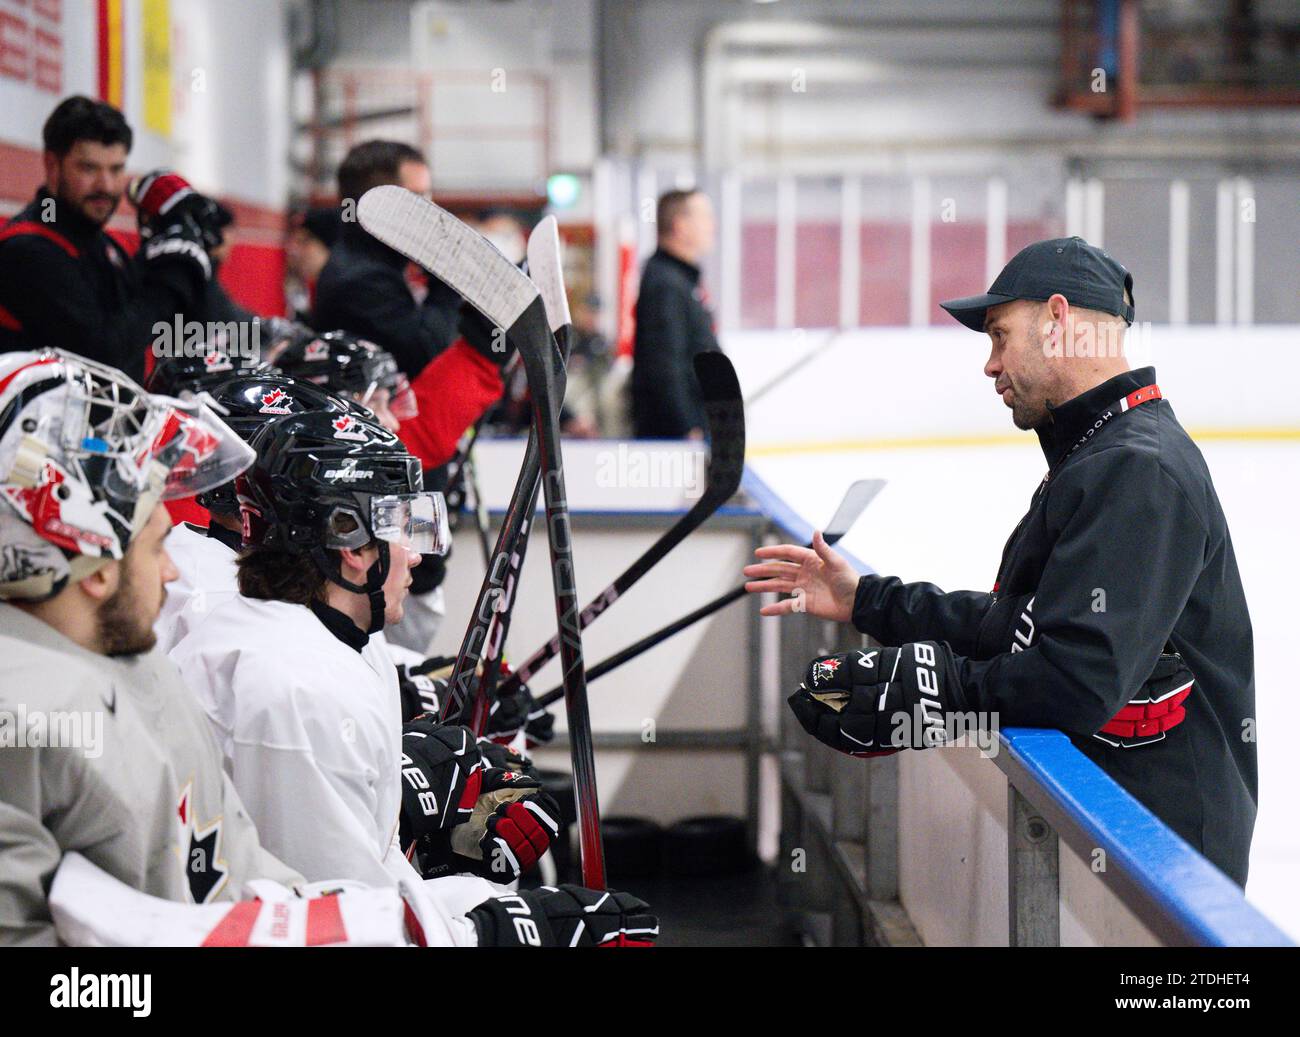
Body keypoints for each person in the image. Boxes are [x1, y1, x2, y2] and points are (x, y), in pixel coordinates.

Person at [744, 237, 1257, 888]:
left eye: (998, 334)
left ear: (1059, 319)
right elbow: (1021, 625)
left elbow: (1076, 679)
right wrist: (868, 599)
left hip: (1166, 872)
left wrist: (943, 691)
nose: (991, 364)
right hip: (1124, 845)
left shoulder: (1138, 469)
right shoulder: (1102, 453)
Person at [169, 409, 561, 890]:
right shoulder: (301, 688)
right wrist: (498, 925)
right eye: (402, 527)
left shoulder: (293, 639)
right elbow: (335, 916)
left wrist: (455, 875)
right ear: (351, 543)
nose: (416, 554)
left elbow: (366, 876)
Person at [0, 98, 216, 381]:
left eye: (116, 169)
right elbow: (103, 355)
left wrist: (187, 265)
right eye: (89, 169)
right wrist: (170, 277)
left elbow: (157, 329)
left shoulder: (99, 243)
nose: (106, 185)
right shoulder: (30, 248)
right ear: (52, 166)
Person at [312, 140, 461, 379]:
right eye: (418, 198)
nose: (431, 210)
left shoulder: (371, 264)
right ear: (380, 205)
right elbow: (427, 356)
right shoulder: (361, 280)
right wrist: (446, 274)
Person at [629, 188, 720, 439]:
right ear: (681, 226)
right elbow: (665, 364)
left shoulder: (680, 280)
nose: (713, 225)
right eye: (705, 217)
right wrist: (687, 426)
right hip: (674, 438)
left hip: (692, 426)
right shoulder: (666, 284)